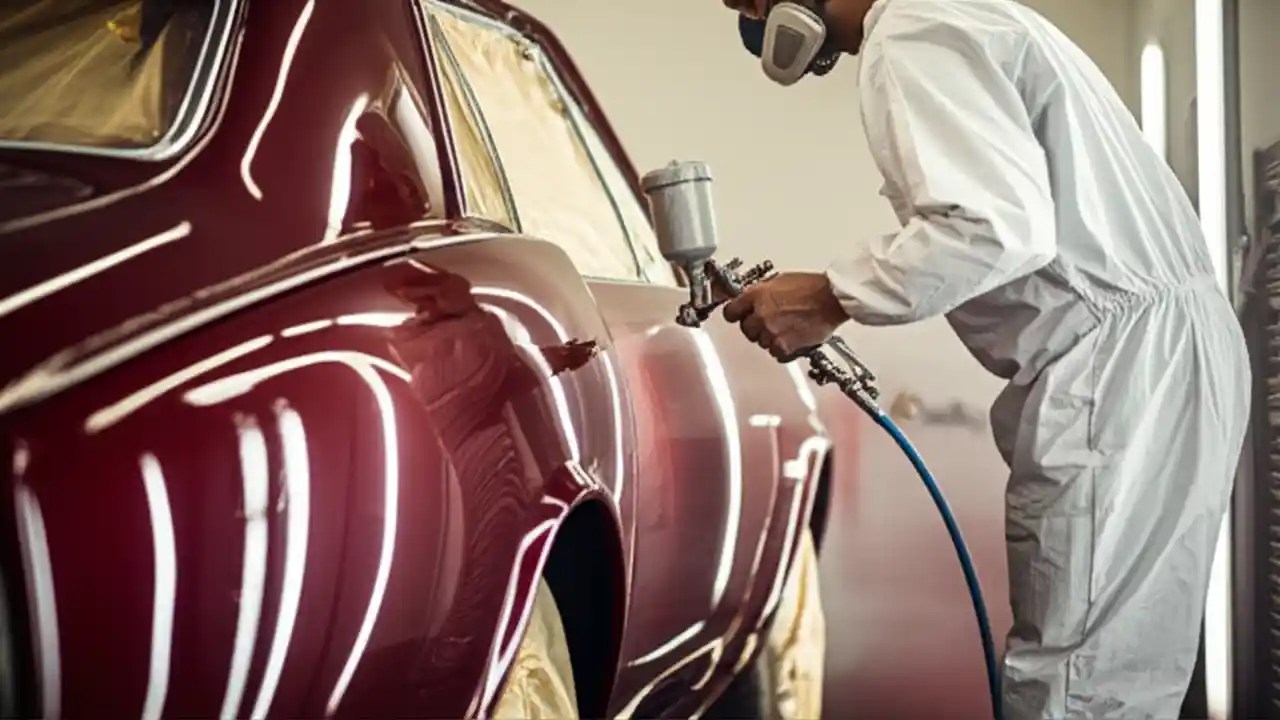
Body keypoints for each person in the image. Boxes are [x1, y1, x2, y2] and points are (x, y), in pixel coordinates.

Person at [717, 0, 1252, 718]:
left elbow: (996, 227)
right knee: (1122, 676)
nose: (744, 9)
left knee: (1077, 690)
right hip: (1166, 353)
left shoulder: (909, 33)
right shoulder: (966, 16)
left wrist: (830, 296)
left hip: (1117, 372)